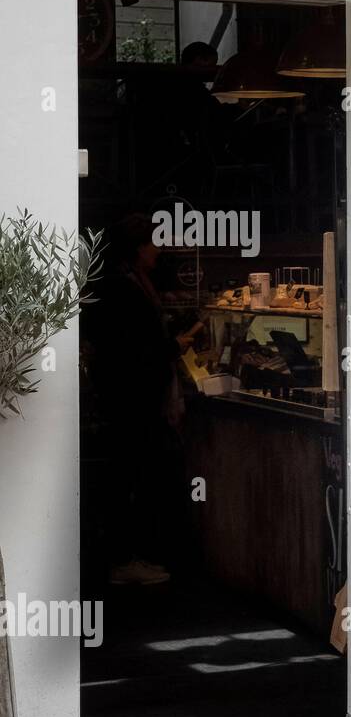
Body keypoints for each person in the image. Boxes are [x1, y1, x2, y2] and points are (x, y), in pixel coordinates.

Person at [84, 214, 203, 586]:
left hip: (127, 397)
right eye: (153, 242)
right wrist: (175, 345)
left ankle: (130, 557)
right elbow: (134, 349)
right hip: (131, 400)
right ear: (137, 248)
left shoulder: (123, 283)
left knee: (131, 476)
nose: (159, 249)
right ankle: (124, 561)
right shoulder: (124, 289)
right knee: (130, 477)